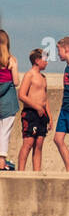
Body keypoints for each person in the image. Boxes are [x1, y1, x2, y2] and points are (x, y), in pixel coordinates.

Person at [17, 48, 51, 171]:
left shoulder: (43, 77)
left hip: (42, 115)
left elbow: (45, 98)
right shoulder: (29, 75)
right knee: (28, 143)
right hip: (31, 113)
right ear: (37, 60)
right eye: (45, 60)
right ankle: (20, 172)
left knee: (39, 144)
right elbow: (21, 95)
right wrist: (36, 107)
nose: (47, 62)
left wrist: (50, 118)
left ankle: (36, 172)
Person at [52, 37, 69, 171]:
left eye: (59, 50)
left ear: (66, 49)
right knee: (58, 139)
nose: (58, 53)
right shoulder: (67, 67)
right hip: (65, 108)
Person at [0, 30, 19, 171]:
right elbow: (17, 81)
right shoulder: (11, 60)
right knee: (4, 134)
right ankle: (1, 164)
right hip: (8, 102)